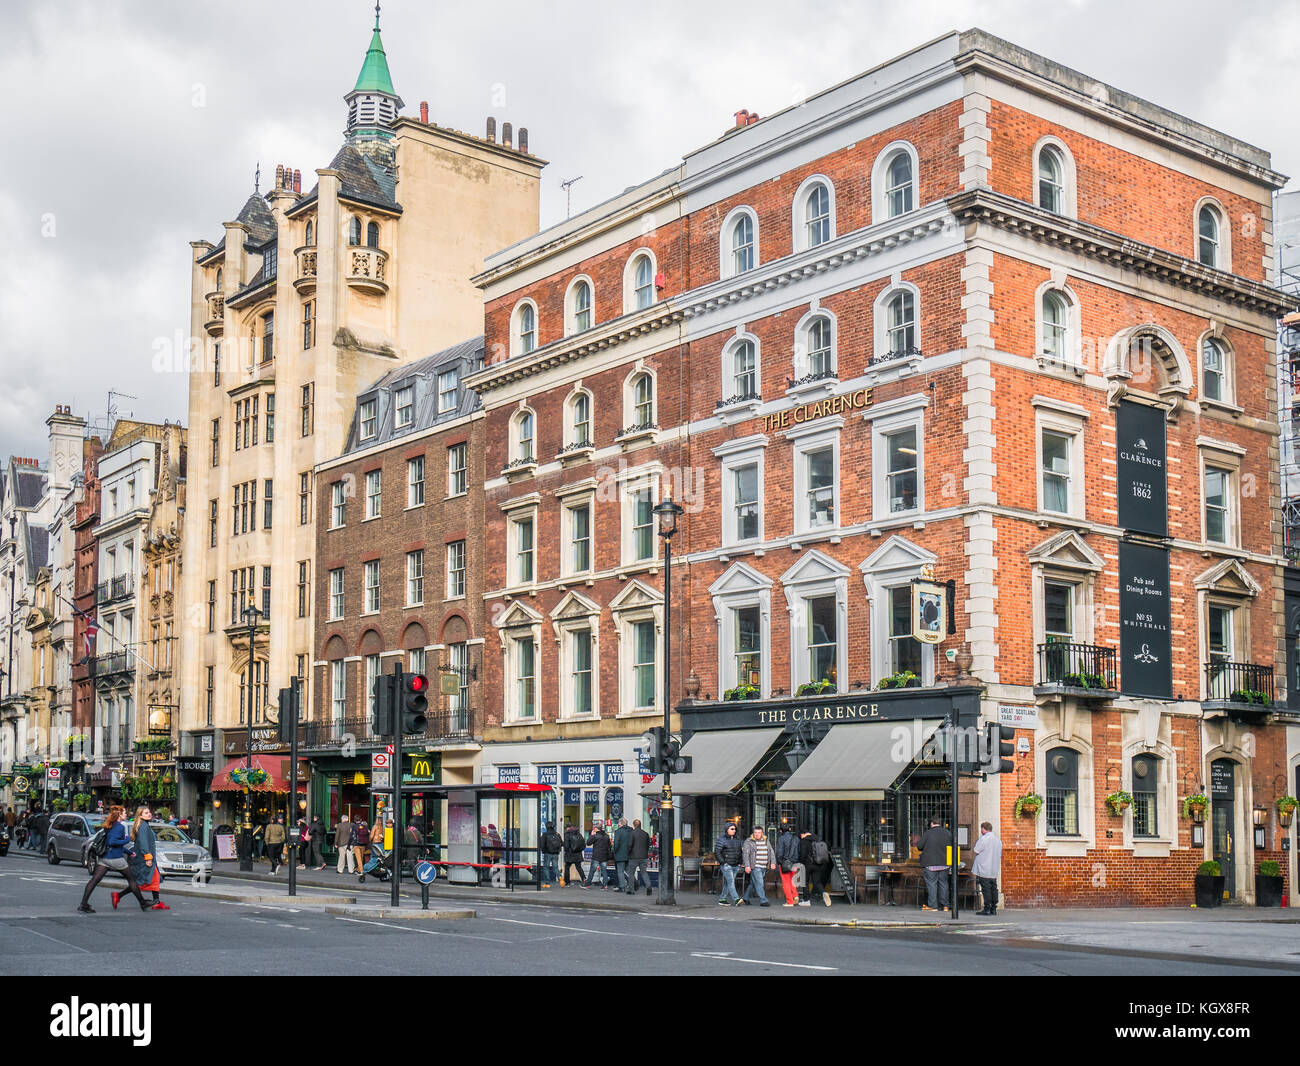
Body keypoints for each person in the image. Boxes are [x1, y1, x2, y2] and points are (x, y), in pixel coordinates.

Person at [79, 806, 149, 913]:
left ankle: (83, 904)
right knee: (132, 880)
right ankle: (143, 903)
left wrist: (129, 852)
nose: (126, 814)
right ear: (119, 815)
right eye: (125, 813)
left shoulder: (110, 825)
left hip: (105, 858)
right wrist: (127, 839)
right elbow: (112, 842)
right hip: (116, 859)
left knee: (94, 880)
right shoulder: (119, 827)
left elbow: (114, 844)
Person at [118, 805, 168, 911]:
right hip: (145, 858)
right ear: (140, 816)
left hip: (146, 858)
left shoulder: (144, 825)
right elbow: (144, 843)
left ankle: (157, 902)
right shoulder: (143, 826)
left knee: (153, 880)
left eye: (149, 812)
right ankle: (118, 896)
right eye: (145, 813)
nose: (149, 814)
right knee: (142, 882)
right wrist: (148, 857)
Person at [917, 815, 953, 912]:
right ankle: (945, 905)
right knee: (944, 884)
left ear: (932, 823)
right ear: (940, 823)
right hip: (944, 863)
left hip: (930, 864)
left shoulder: (928, 833)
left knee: (932, 884)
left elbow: (919, 846)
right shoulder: (947, 833)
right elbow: (952, 847)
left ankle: (933, 906)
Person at [740, 826, 776, 907]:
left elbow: (771, 852)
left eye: (759, 832)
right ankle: (764, 900)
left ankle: (745, 897)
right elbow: (745, 854)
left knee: (753, 883)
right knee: (760, 883)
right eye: (755, 832)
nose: (757, 834)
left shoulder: (766, 840)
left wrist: (773, 862)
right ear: (753, 833)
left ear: (762, 833)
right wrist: (747, 866)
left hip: (764, 866)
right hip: (755, 866)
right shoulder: (749, 841)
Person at [972, 821, 1003, 915]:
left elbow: (976, 850)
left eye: (981, 829)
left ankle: (987, 908)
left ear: (983, 829)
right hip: (993, 868)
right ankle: (994, 908)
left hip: (984, 867)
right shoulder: (998, 840)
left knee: (986, 889)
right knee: (993, 888)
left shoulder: (984, 839)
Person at [797, 829, 832, 907]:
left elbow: (803, 854)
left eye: (801, 835)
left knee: (805, 881)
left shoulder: (804, 841)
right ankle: (824, 893)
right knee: (817, 882)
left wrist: (800, 863)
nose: (801, 837)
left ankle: (806, 900)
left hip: (807, 865)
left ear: (804, 834)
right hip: (817, 864)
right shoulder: (818, 839)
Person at [713, 823, 743, 906]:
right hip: (727, 865)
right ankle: (736, 899)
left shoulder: (738, 839)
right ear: (727, 830)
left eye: (735, 829)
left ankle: (722, 899)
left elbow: (740, 852)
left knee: (728, 882)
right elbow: (717, 852)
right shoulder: (722, 840)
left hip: (736, 865)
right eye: (732, 829)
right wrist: (723, 862)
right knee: (731, 882)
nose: (734, 830)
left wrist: (740, 862)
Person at [775, 825, 802, 907]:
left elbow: (779, 852)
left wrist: (779, 862)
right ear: (790, 829)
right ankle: (795, 895)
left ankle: (789, 901)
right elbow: (799, 851)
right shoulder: (796, 838)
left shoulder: (781, 839)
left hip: (785, 863)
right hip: (794, 862)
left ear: (780, 831)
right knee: (792, 880)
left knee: (786, 882)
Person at [627, 819, 652, 896]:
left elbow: (630, 845)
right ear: (640, 825)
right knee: (644, 872)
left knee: (630, 873)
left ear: (634, 825)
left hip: (633, 857)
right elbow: (648, 845)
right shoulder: (646, 834)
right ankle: (648, 886)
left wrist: (628, 852)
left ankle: (631, 890)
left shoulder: (632, 833)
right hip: (644, 856)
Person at [584, 823, 612, 888]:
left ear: (596, 829)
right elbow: (609, 846)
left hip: (596, 856)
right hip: (604, 856)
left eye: (594, 828)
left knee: (592, 871)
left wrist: (591, 835)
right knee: (604, 871)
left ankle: (588, 884)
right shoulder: (606, 836)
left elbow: (588, 843)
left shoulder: (595, 836)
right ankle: (605, 885)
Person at [612, 817, 633, 893]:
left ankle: (622, 887)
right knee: (628, 871)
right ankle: (632, 885)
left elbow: (616, 844)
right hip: (629, 854)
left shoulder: (618, 832)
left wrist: (614, 851)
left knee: (620, 871)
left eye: (618, 824)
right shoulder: (631, 831)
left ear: (620, 824)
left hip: (620, 854)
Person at [540, 822, 562, 887]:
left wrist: (544, 851)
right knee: (555, 867)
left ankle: (547, 883)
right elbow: (562, 843)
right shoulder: (557, 834)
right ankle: (560, 877)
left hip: (547, 853)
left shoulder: (545, 834)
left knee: (546, 868)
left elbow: (542, 845)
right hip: (556, 854)